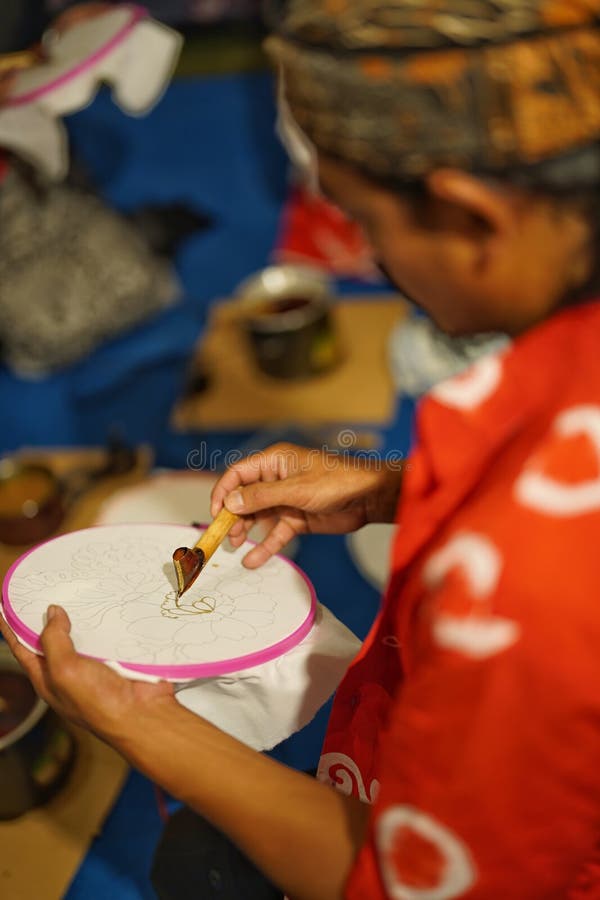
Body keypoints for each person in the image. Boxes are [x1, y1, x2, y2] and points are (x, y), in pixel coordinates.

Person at [3, 1, 600, 897]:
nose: (369, 252)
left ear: (471, 217)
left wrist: (141, 725)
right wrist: (393, 487)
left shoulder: (529, 590)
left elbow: (397, 883)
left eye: (364, 220)